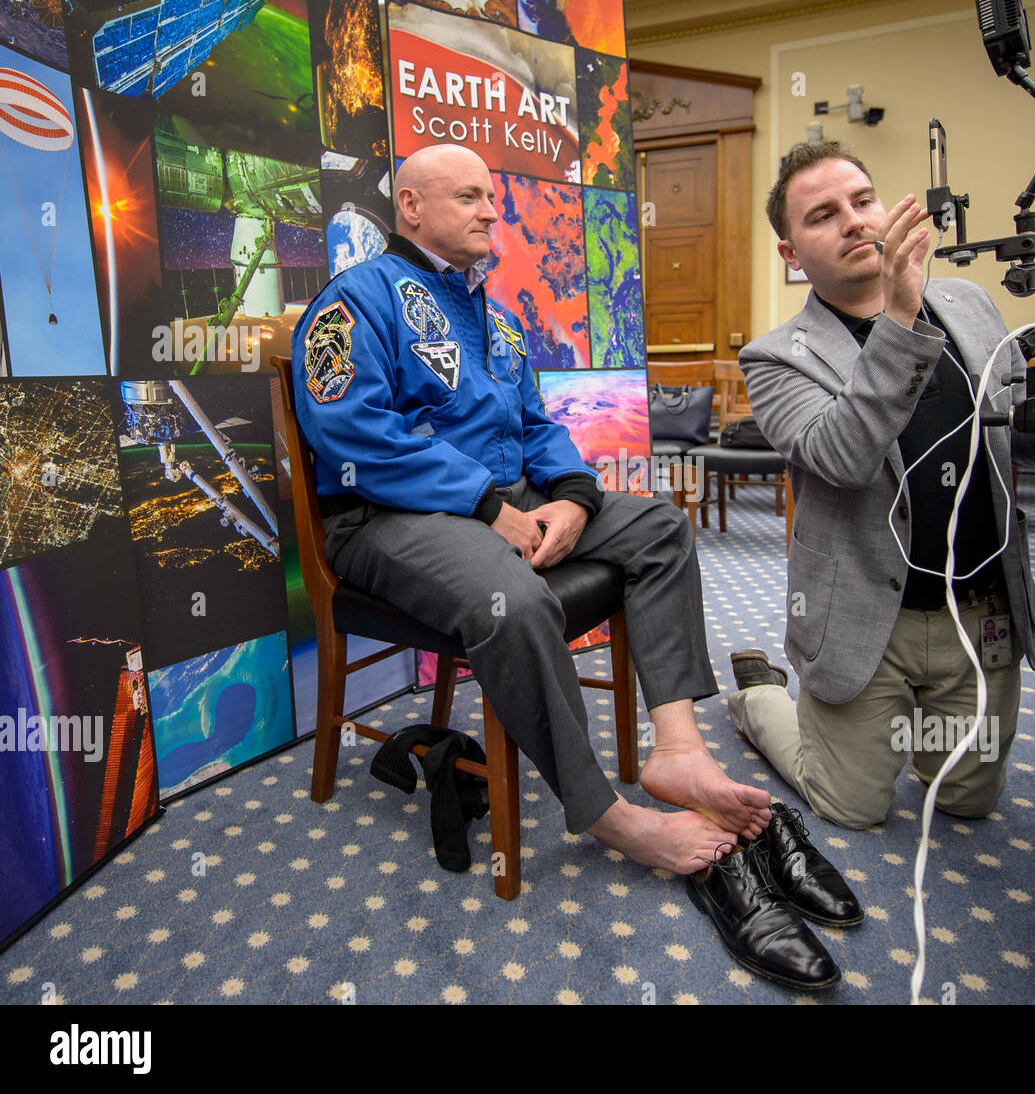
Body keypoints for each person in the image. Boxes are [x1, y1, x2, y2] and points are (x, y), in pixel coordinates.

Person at [291, 143, 771, 873]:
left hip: (506, 499)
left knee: (662, 528)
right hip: (382, 516)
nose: (492, 210)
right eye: (469, 197)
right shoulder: (354, 299)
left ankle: (679, 750)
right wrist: (484, 505)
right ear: (412, 206)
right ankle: (610, 817)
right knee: (512, 601)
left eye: (491, 197)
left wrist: (574, 498)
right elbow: (352, 432)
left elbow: (537, 426)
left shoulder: (498, 316)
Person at [727, 141, 1035, 829]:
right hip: (865, 619)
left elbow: (1029, 443)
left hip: (977, 612)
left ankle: (921, 733)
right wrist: (898, 316)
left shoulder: (972, 306)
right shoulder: (776, 357)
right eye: (824, 215)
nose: (855, 221)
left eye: (863, 201)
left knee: (967, 800)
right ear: (790, 254)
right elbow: (844, 456)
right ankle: (759, 698)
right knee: (850, 806)